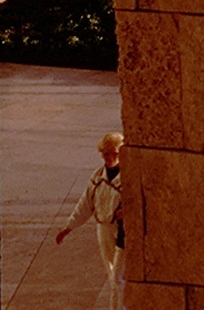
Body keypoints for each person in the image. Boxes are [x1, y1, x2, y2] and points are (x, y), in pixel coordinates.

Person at [57, 131, 126, 310]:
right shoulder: (98, 178)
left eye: (114, 153)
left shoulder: (128, 177)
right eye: (106, 154)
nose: (110, 157)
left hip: (122, 233)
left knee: (118, 277)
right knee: (112, 276)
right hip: (103, 229)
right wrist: (68, 227)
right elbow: (85, 205)